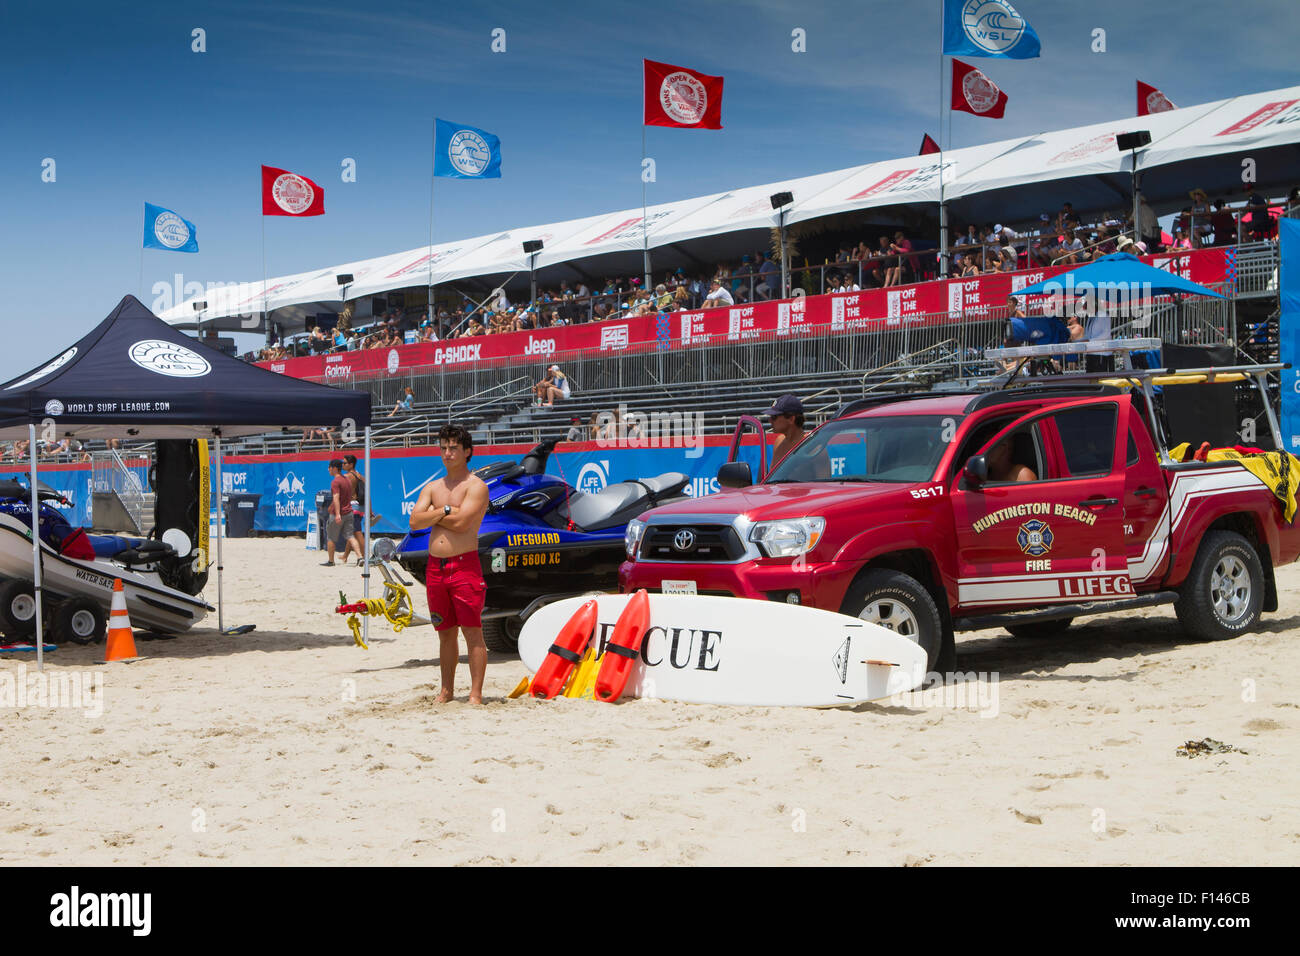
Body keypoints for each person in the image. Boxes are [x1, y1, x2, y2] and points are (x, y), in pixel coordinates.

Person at [409, 425, 491, 704]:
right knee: (445, 633)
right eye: (443, 447)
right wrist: (444, 510)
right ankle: (446, 691)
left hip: (464, 566)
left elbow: (462, 523)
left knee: (472, 631)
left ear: (467, 451)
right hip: (436, 568)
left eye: (453, 447)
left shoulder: (476, 486)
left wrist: (431, 514)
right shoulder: (433, 486)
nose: (447, 453)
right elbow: (414, 522)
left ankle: (476, 694)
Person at [322, 459, 357, 567]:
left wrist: (337, 513)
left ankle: (331, 561)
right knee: (351, 536)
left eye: (329, 467)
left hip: (339, 513)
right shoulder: (347, 480)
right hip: (349, 511)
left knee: (331, 537)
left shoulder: (336, 481)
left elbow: (337, 498)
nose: (328, 469)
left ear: (334, 468)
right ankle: (360, 556)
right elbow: (347, 496)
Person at [765, 394, 807, 467]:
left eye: (774, 417)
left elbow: (823, 477)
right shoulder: (779, 442)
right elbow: (773, 476)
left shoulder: (812, 446)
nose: (770, 420)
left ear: (791, 419)